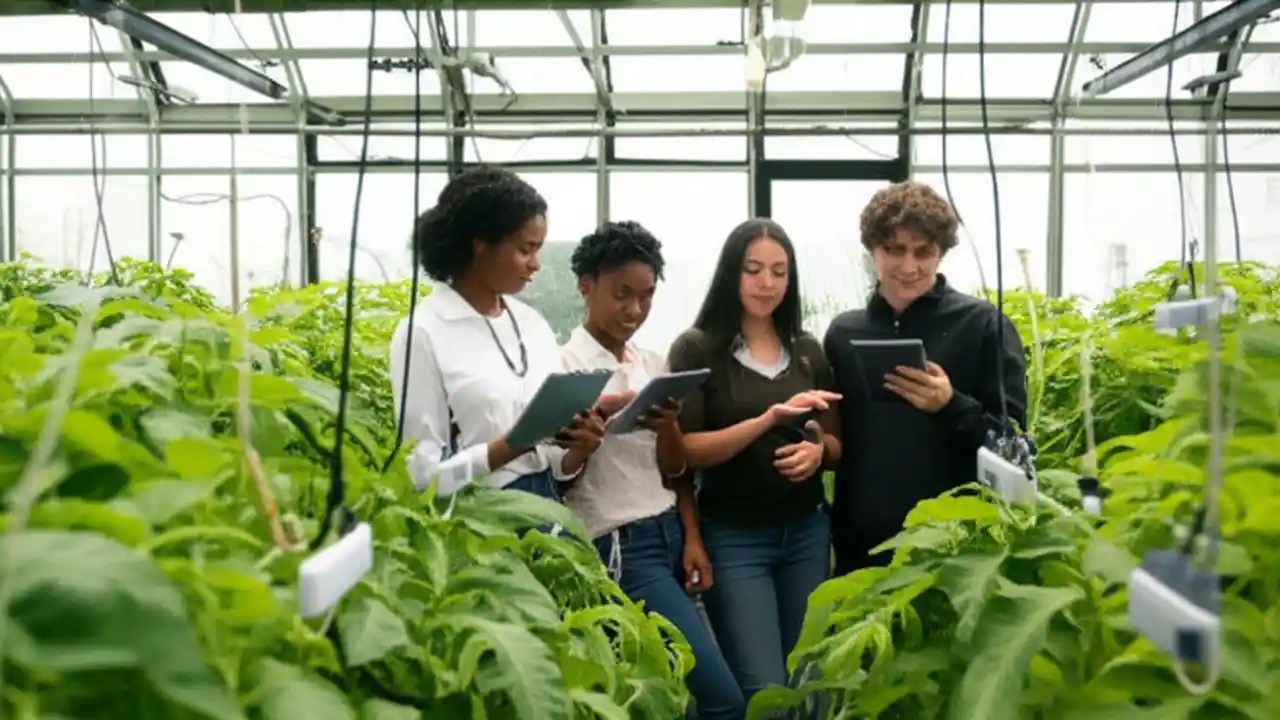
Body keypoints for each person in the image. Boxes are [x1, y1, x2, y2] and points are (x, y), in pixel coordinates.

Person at [559, 220, 746, 720]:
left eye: (646, 297)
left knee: (666, 694)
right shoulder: (564, 369)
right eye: (622, 294)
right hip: (619, 543)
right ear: (586, 285)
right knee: (720, 699)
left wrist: (690, 533)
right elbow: (556, 478)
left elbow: (675, 470)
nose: (635, 310)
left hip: (666, 532)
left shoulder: (653, 363)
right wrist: (590, 430)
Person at [666, 218, 842, 705]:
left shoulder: (807, 351)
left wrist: (816, 451)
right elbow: (684, 451)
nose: (768, 283)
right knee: (762, 691)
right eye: (754, 270)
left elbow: (835, 444)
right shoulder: (698, 349)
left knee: (812, 685)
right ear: (731, 274)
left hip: (806, 532)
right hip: (735, 537)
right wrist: (766, 420)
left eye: (779, 272)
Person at [823, 180, 1028, 575]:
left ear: (942, 253)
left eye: (924, 252)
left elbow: (1015, 446)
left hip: (951, 546)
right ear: (872, 250)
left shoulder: (983, 326)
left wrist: (951, 404)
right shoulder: (844, 333)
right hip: (862, 545)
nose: (909, 266)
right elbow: (838, 437)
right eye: (893, 250)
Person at [389, 164, 606, 501]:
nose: (535, 263)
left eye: (538, 250)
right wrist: (509, 447)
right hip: (479, 521)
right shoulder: (424, 332)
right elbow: (421, 475)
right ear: (480, 244)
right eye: (525, 249)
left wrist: (579, 448)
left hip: (546, 508)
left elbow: (554, 463)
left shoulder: (532, 325)